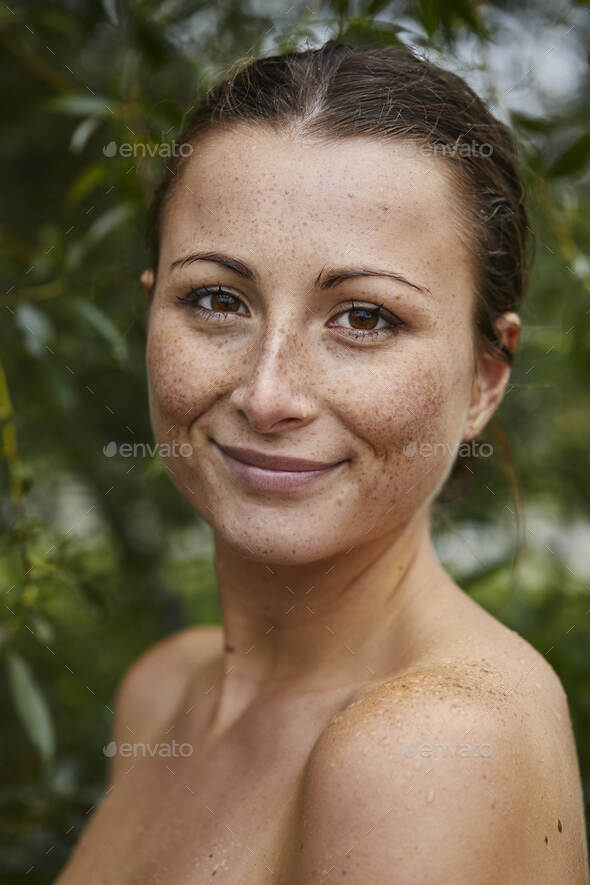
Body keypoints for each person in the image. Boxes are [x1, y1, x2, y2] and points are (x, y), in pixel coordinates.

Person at [56, 40, 589, 883]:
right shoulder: (165, 692)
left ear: (487, 377)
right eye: (218, 300)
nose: (269, 395)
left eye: (365, 318)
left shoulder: (432, 745)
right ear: (151, 309)